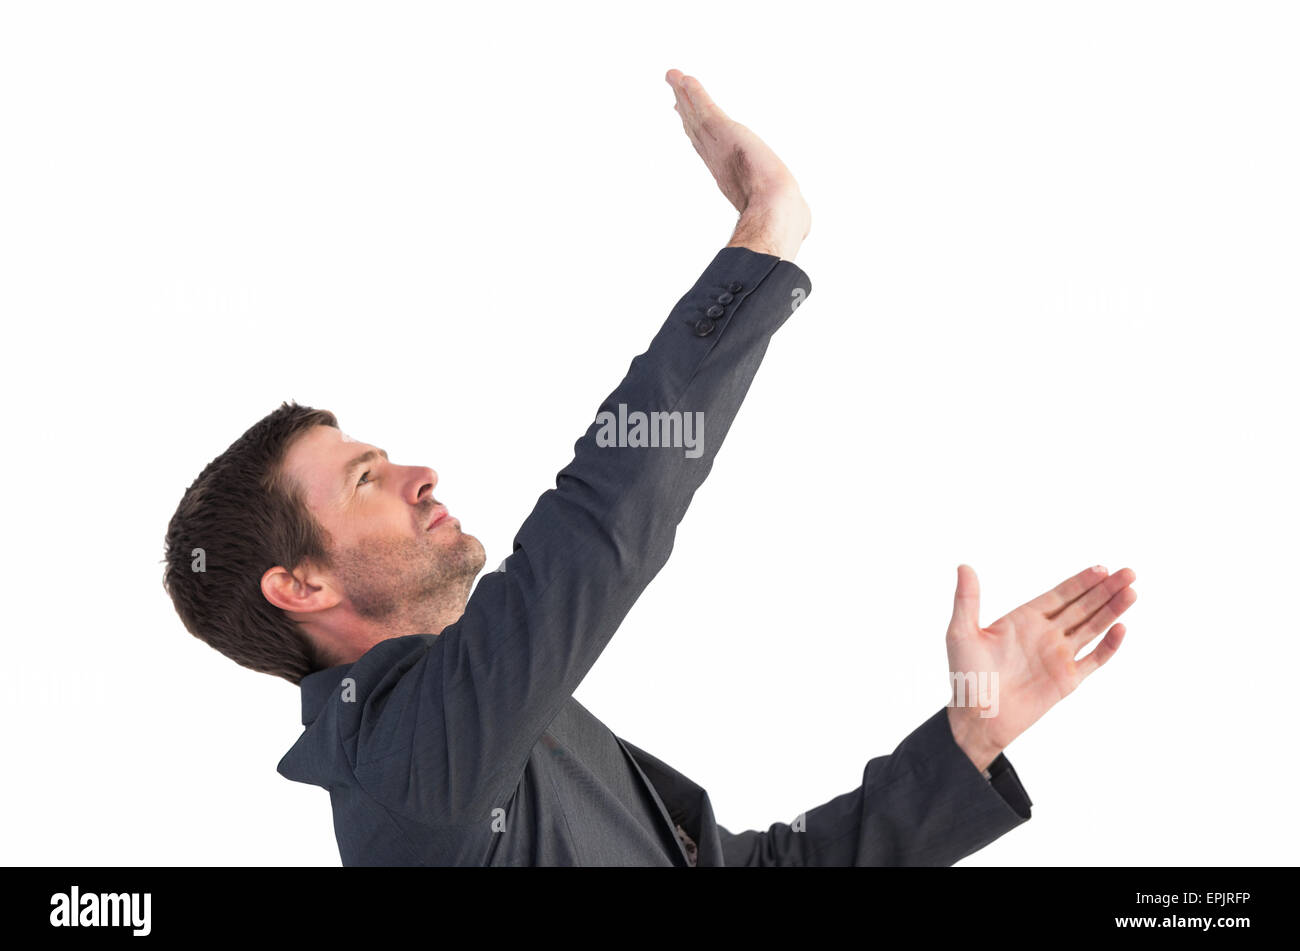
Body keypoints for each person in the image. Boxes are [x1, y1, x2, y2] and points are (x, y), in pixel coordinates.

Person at [163, 69, 1137, 865]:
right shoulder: (406, 764)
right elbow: (600, 529)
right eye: (368, 477)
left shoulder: (476, 732)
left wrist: (966, 741)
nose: (420, 472)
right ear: (301, 582)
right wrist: (766, 234)